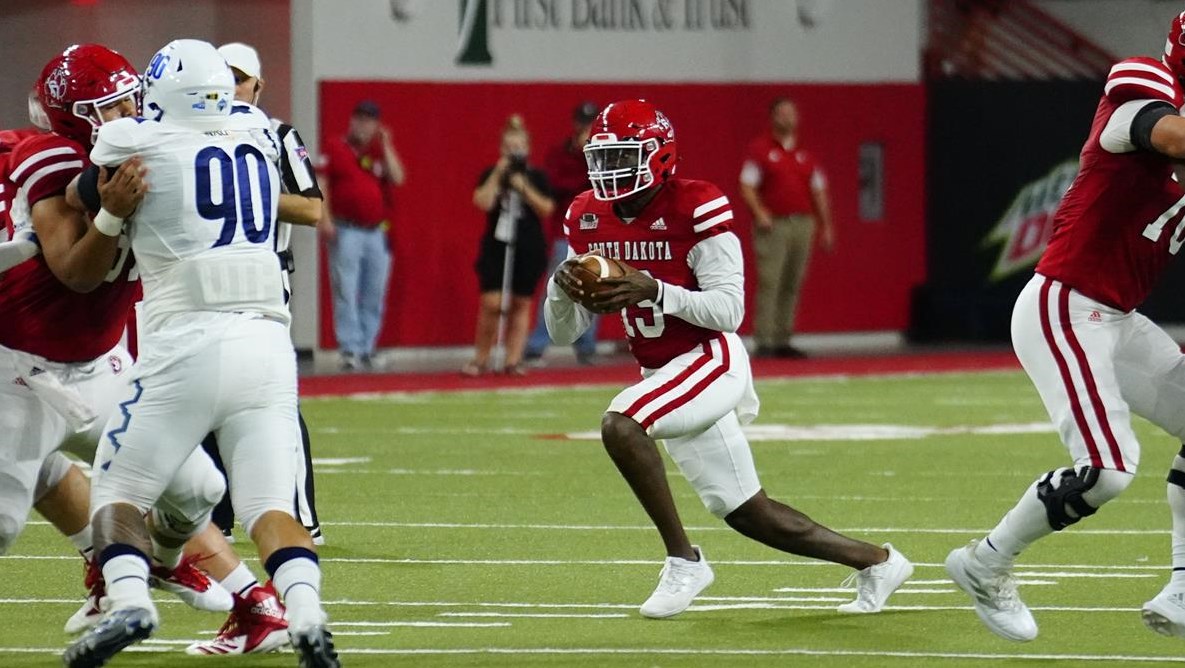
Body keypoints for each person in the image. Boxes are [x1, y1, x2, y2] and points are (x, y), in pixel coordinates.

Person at [546, 99, 911, 618]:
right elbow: (564, 332)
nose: (609, 169)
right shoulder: (586, 215)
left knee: (621, 424)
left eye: (623, 156)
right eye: (602, 157)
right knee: (747, 511)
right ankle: (878, 562)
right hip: (663, 371)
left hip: (709, 357)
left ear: (659, 155)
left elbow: (728, 311)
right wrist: (559, 290)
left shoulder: (696, 205)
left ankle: (684, 561)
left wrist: (656, 290)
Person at [64, 40, 337, 668]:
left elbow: (82, 196)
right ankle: (306, 612)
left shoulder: (135, 140)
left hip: (185, 340)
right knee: (270, 508)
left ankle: (130, 599)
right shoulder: (259, 129)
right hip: (267, 340)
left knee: (117, 491)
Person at [944, 13, 1185, 644]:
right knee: (1108, 469)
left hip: (1117, 316)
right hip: (1066, 303)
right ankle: (985, 563)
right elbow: (1168, 135)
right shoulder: (1144, 80)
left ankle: (1183, 584)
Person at [0, 41, 237, 623]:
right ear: (73, 119)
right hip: (20, 368)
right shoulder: (49, 155)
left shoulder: (163, 147)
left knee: (200, 488)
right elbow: (77, 273)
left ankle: (150, 562)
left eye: (134, 98)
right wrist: (108, 214)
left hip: (101, 364)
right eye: (112, 107)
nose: (132, 112)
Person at [738, 98, 835, 359]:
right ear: (773, 117)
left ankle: (784, 336)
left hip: (802, 222)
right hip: (775, 224)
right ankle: (765, 338)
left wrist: (825, 225)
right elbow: (747, 185)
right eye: (782, 113)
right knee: (771, 280)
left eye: (792, 113)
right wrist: (760, 212)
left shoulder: (805, 154)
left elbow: (818, 190)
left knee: (793, 280)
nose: (788, 118)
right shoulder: (761, 150)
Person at [318, 99, 405, 371]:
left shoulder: (378, 154)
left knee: (374, 292)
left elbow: (398, 177)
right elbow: (321, 183)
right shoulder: (335, 147)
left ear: (377, 125)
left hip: (376, 232)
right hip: (346, 229)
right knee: (346, 289)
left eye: (369, 121)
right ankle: (349, 349)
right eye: (359, 119)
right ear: (351, 121)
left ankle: (367, 348)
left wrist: (387, 145)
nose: (363, 125)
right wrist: (324, 218)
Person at [466, 114, 555, 376]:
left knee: (520, 302)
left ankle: (513, 359)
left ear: (527, 148)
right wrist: (499, 173)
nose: (514, 151)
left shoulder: (536, 176)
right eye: (509, 147)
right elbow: (482, 201)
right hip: (497, 244)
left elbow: (546, 208)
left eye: (518, 146)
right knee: (492, 302)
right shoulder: (491, 174)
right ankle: (481, 358)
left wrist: (522, 186)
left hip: (528, 245)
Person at [524, 101, 600, 366]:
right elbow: (555, 184)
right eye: (582, 122)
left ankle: (586, 346)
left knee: (592, 289)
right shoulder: (560, 153)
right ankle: (537, 344)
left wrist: (589, 155)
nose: (585, 128)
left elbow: (597, 185)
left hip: (594, 229)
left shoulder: (601, 155)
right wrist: (579, 156)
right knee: (556, 287)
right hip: (564, 230)